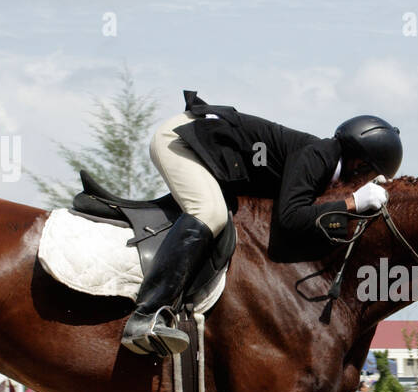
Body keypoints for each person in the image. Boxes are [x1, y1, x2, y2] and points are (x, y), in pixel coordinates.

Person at [122, 91, 403, 355]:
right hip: (181, 141)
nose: (367, 185)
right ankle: (145, 317)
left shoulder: (324, 162)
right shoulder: (317, 157)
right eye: (369, 178)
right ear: (359, 166)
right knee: (210, 213)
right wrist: (351, 203)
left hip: (206, 151)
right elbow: (290, 220)